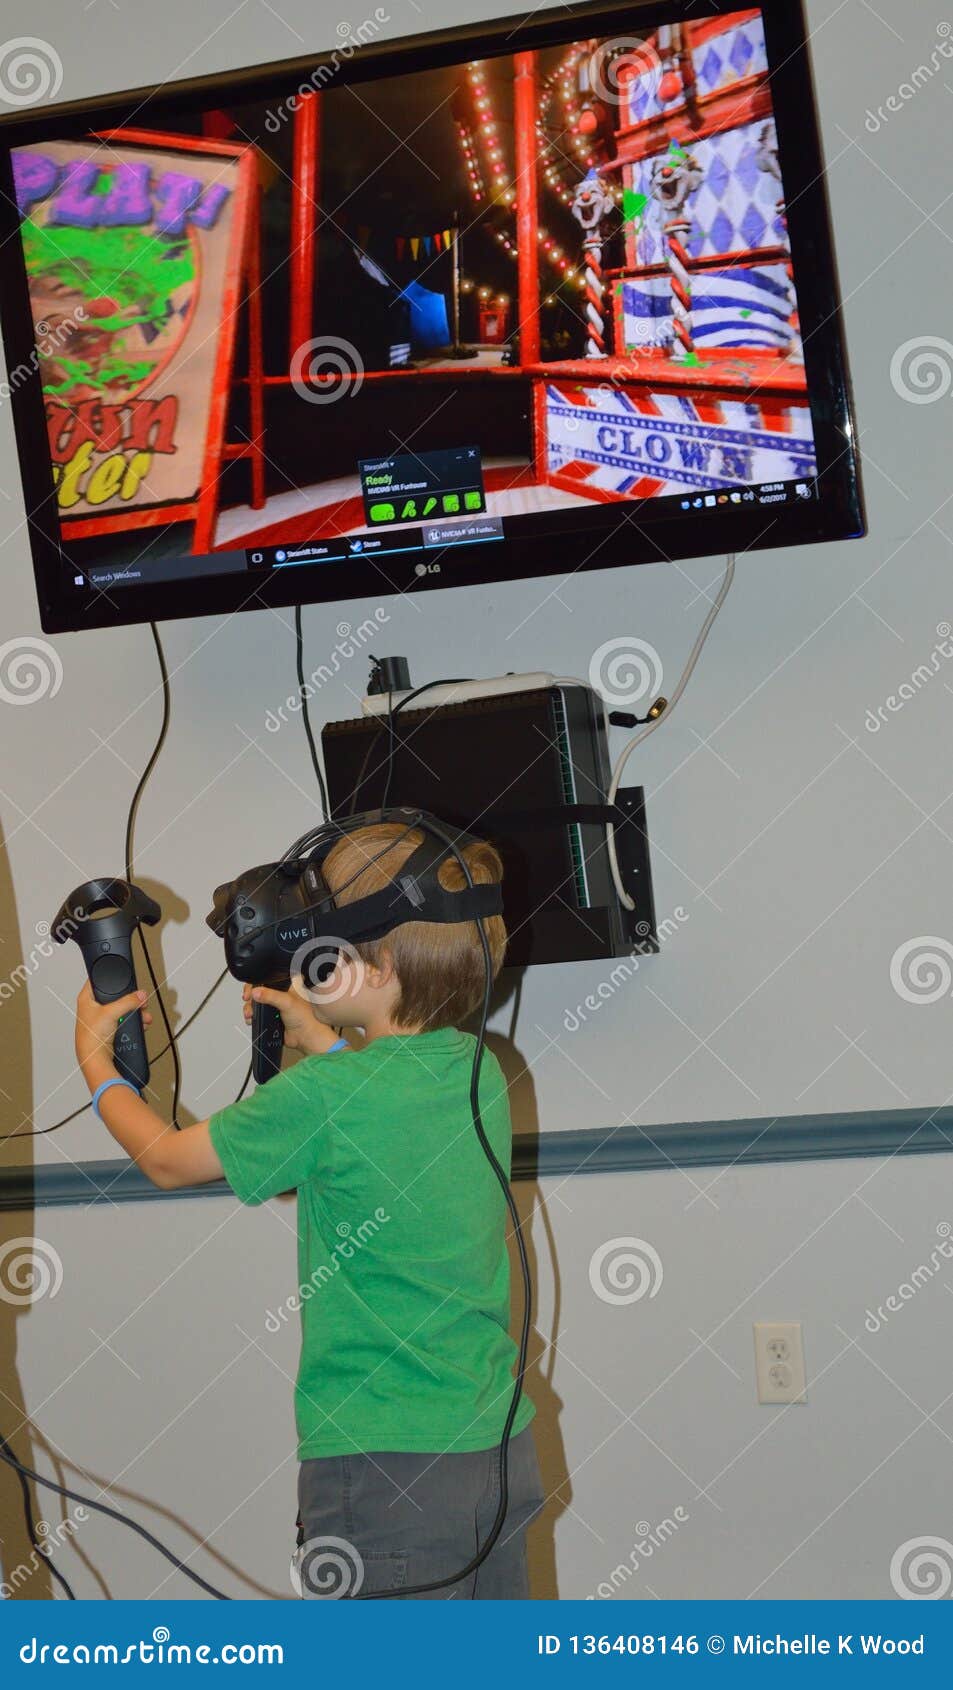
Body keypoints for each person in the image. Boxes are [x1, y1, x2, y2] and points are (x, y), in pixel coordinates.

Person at [73, 821, 542, 1599]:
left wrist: (95, 1061)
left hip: (386, 1468)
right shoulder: (477, 1069)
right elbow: (381, 1134)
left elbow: (166, 1159)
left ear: (375, 965)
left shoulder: (328, 1097)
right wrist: (322, 1043)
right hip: (494, 1447)